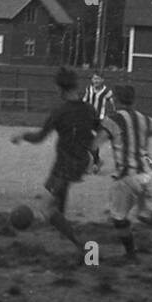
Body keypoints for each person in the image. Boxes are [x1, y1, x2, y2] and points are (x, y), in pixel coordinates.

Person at [95, 85, 152, 262]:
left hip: (126, 175)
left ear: (116, 100)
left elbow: (98, 140)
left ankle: (131, 254)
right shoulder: (142, 119)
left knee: (119, 218)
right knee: (143, 214)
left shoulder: (114, 120)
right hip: (144, 174)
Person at [10, 67, 98, 249]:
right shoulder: (89, 109)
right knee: (59, 193)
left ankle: (81, 245)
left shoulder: (60, 112)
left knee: (46, 207)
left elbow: (39, 137)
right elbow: (99, 132)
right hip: (81, 162)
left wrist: (22, 135)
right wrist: (94, 157)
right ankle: (61, 224)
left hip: (65, 165)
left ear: (59, 88)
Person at [82, 72, 115, 173]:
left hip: (100, 120)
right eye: (94, 79)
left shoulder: (107, 92)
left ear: (102, 80)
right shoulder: (89, 89)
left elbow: (113, 104)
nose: (95, 81)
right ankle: (95, 161)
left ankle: (95, 162)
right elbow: (84, 101)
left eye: (98, 79)